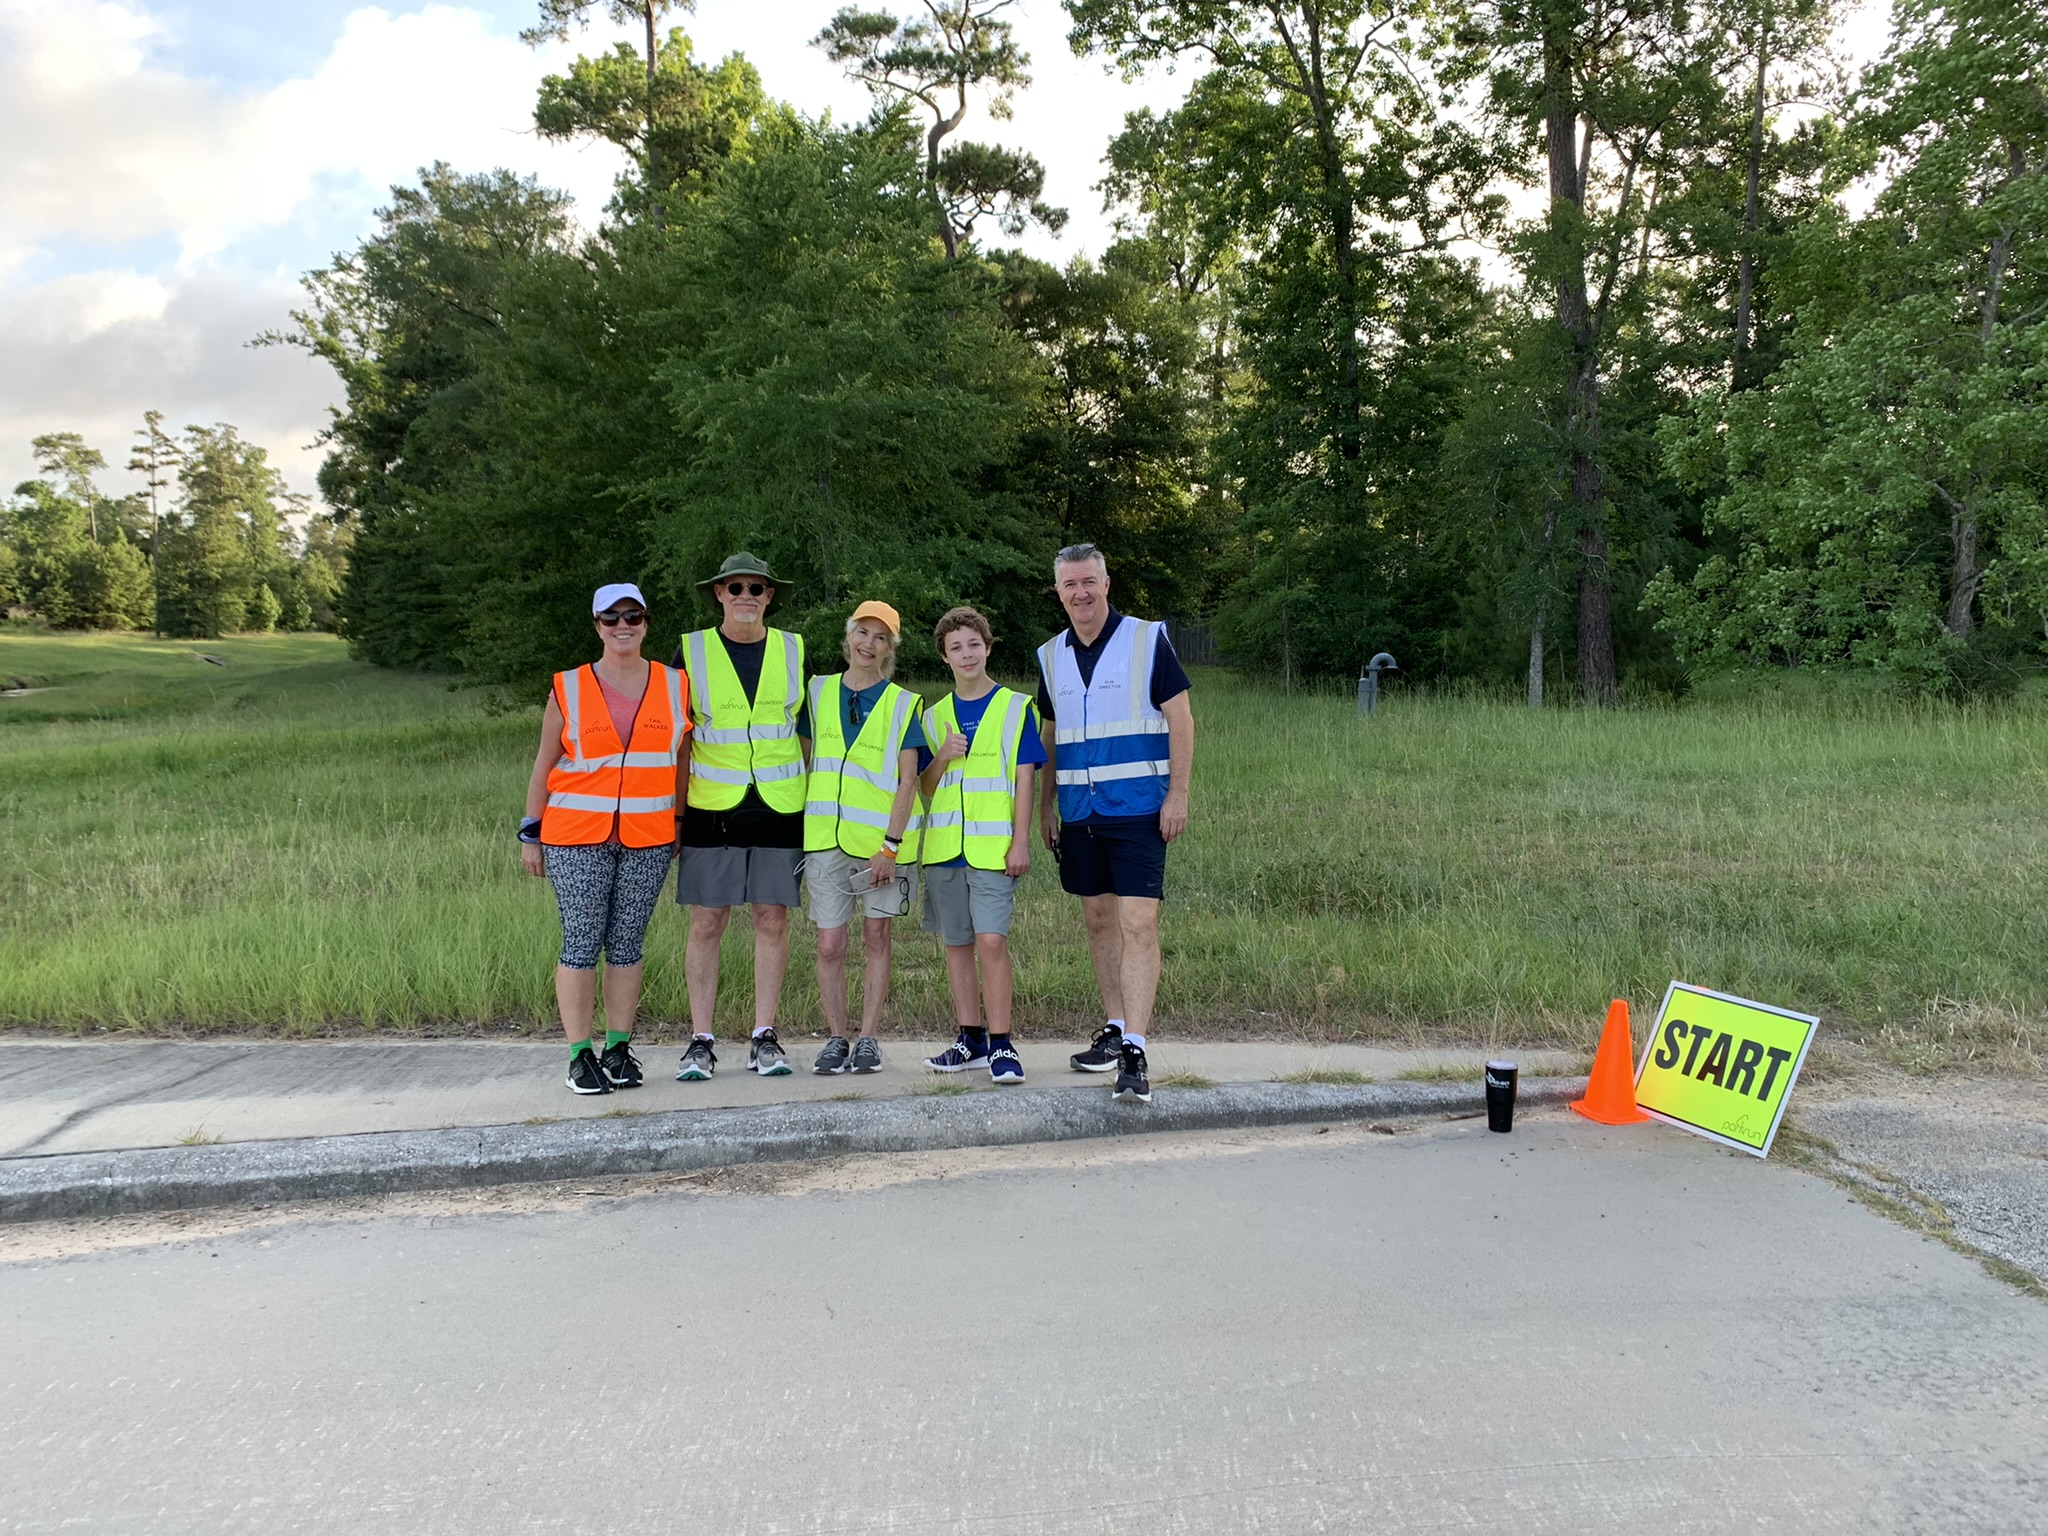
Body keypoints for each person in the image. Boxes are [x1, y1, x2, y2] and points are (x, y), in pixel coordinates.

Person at [1035, 544, 1194, 1104]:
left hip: (1139, 809)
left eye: (1089, 582)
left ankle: (1136, 1050)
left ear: (1106, 582)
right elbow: (1050, 736)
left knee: (1137, 924)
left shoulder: (1147, 639)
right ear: (1058, 592)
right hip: (1080, 812)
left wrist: (1177, 794)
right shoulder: (1050, 655)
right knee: (1100, 922)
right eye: (1069, 585)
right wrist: (1044, 805)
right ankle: (1115, 1027)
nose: (1081, 593)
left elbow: (1180, 717)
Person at [519, 583, 688, 1095]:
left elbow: (681, 759)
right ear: (596, 626)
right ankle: (578, 1056)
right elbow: (545, 762)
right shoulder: (568, 686)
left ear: (645, 623)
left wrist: (679, 820)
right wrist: (532, 832)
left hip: (649, 835)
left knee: (627, 945)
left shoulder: (675, 684)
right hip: (574, 836)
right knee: (581, 943)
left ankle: (617, 1048)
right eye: (610, 618)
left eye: (631, 617)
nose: (622, 626)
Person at [671, 552, 808, 1081]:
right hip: (712, 808)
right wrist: (678, 816)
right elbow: (681, 742)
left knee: (771, 919)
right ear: (719, 595)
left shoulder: (794, 649)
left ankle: (763, 1037)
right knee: (708, 920)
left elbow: (805, 735)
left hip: (779, 806)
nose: (746, 595)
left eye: (757, 587)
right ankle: (701, 1041)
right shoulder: (692, 652)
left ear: (770, 595)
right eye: (735, 588)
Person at [918, 606, 1045, 1084]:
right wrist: (943, 757)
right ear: (944, 658)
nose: (966, 654)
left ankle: (1002, 1044)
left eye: (974, 644)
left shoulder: (1015, 708)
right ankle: (969, 1039)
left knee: (991, 941)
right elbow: (926, 788)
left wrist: (1021, 841)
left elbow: (1025, 777)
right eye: (956, 648)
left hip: (994, 851)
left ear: (988, 648)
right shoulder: (933, 718)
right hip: (946, 849)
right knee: (957, 944)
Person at [801, 601, 927, 1074]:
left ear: (889, 648)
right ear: (848, 636)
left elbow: (908, 781)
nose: (868, 644)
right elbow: (808, 759)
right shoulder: (817, 692)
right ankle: (836, 1037)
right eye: (862, 633)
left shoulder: (902, 703)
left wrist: (889, 847)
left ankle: (868, 1038)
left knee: (877, 936)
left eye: (880, 638)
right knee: (830, 944)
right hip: (826, 841)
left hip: (881, 848)